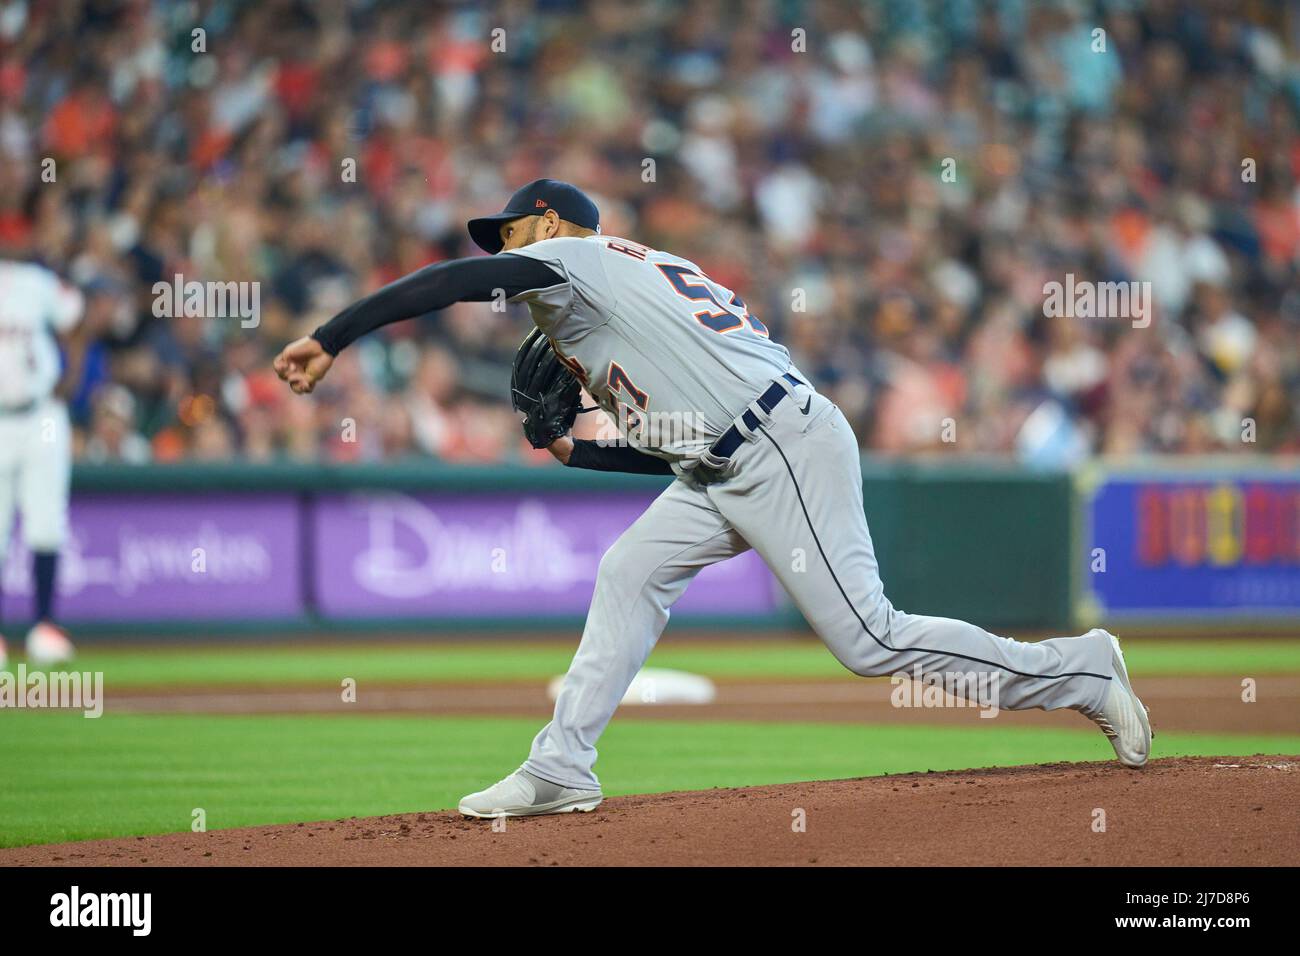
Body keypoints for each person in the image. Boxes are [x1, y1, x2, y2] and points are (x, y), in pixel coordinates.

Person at [273, 179, 1152, 819]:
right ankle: (562, 768)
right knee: (628, 571)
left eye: (508, 234)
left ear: (546, 222)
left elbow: (450, 285)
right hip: (730, 457)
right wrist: (578, 452)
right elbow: (684, 450)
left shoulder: (572, 257)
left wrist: (332, 336)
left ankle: (1083, 669)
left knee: (869, 638)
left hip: (784, 445)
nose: (500, 252)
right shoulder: (625, 301)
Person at [0, 260, 88, 670]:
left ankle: (44, 625)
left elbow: (76, 319)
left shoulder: (35, 280)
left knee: (46, 523)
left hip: (41, 415)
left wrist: (71, 374)